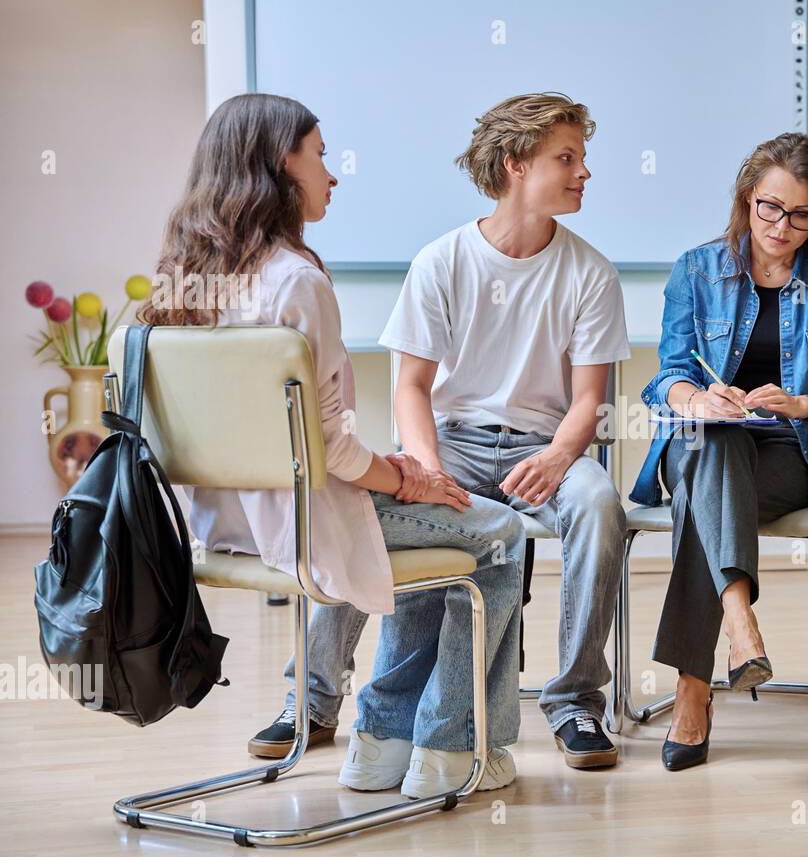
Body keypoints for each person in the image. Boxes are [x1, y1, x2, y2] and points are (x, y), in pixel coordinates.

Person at [149, 93, 525, 799]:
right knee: (500, 533)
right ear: (279, 165)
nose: (333, 172)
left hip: (220, 531)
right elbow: (334, 454)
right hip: (302, 525)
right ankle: (447, 749)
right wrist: (408, 478)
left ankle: (383, 743)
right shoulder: (296, 282)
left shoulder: (184, 280)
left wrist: (400, 477)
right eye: (320, 155)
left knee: (433, 538)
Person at [263, 92, 632, 770]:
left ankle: (575, 701)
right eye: (567, 158)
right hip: (453, 441)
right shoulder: (443, 261)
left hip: (541, 447)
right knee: (370, 512)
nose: (584, 173)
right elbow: (410, 387)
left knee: (599, 506)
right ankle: (312, 702)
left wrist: (556, 459)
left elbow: (589, 402)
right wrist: (424, 472)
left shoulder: (590, 273)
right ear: (517, 163)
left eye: (582, 159)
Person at [629, 133, 808, 770]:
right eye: (769, 208)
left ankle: (696, 694)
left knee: (702, 497)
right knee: (713, 443)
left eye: (802, 216)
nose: (782, 227)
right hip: (702, 439)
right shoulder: (697, 269)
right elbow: (664, 377)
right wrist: (696, 399)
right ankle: (740, 627)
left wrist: (803, 405)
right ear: (747, 201)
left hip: (792, 455)